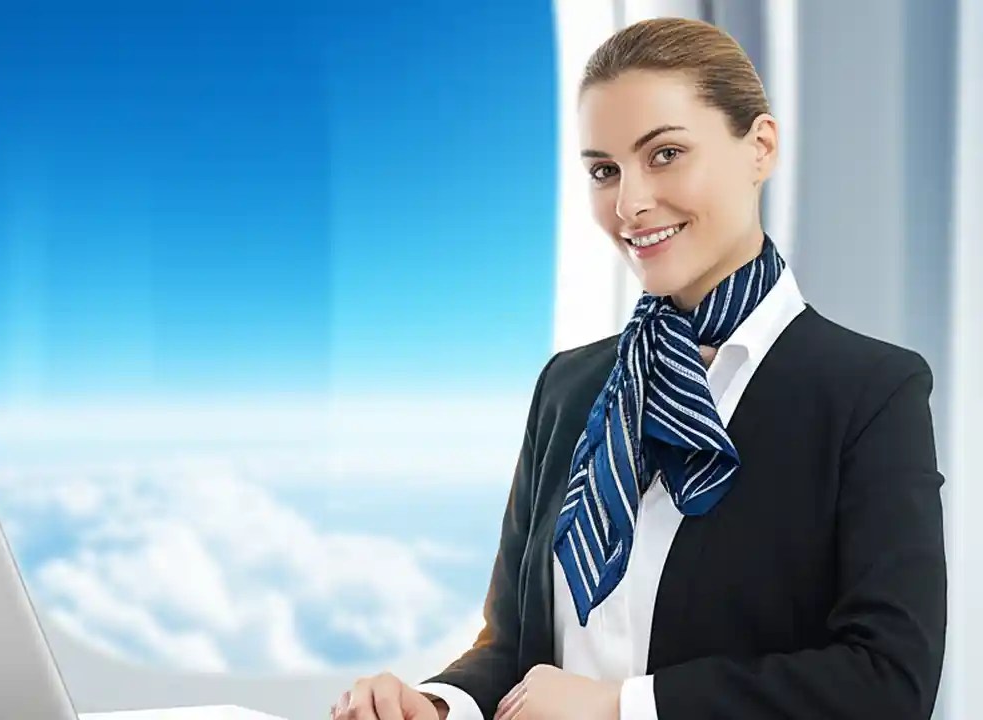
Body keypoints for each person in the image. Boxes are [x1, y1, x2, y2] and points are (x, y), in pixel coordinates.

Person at [329, 16, 946, 720]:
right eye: (604, 170)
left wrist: (624, 707)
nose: (629, 204)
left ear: (760, 148)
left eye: (665, 155)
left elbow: (889, 682)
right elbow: (518, 649)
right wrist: (434, 706)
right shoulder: (570, 388)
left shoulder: (868, 392)